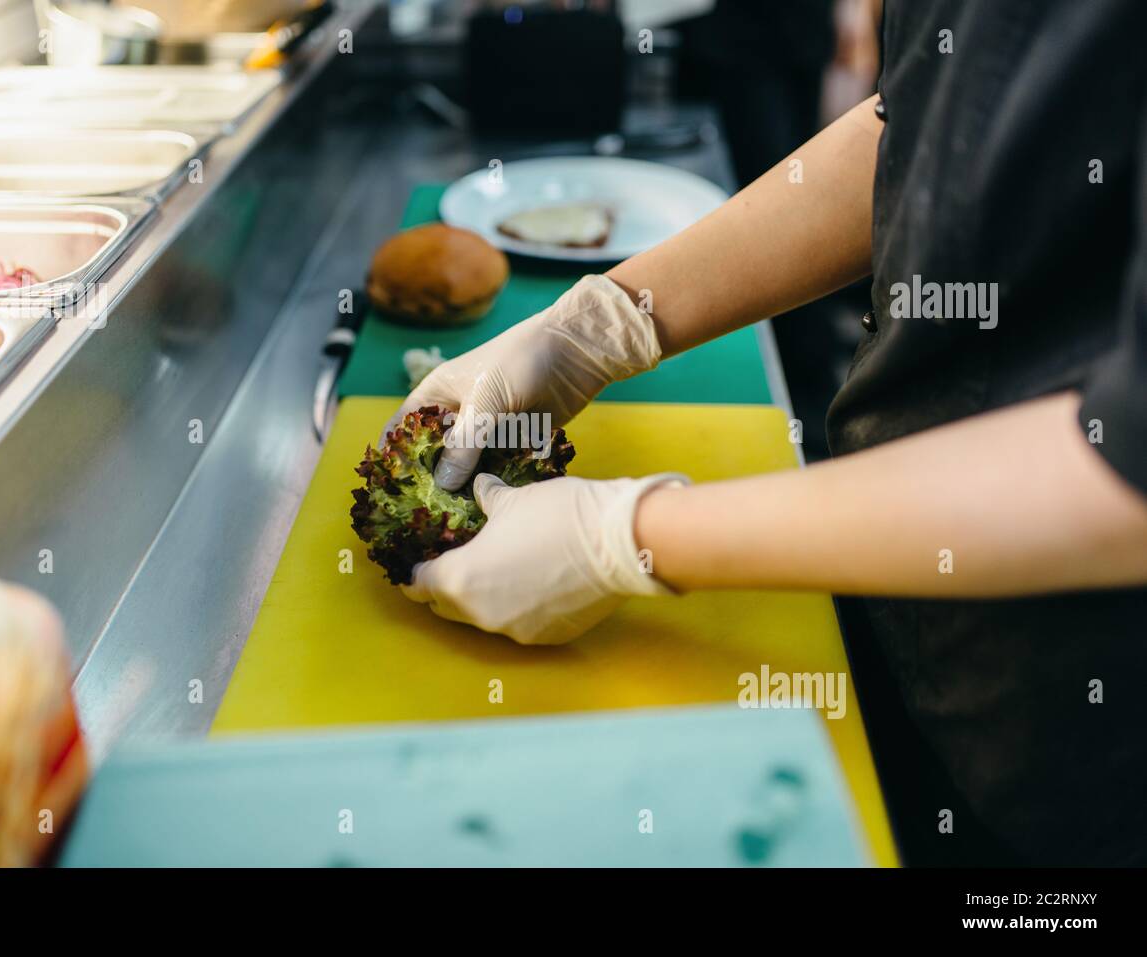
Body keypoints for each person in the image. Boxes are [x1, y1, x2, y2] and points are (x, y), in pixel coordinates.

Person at [385, 0, 1147, 866]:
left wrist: (622, 538)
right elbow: (931, 126)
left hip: (1077, 741)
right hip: (903, 612)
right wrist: (603, 322)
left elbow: (1128, 470)